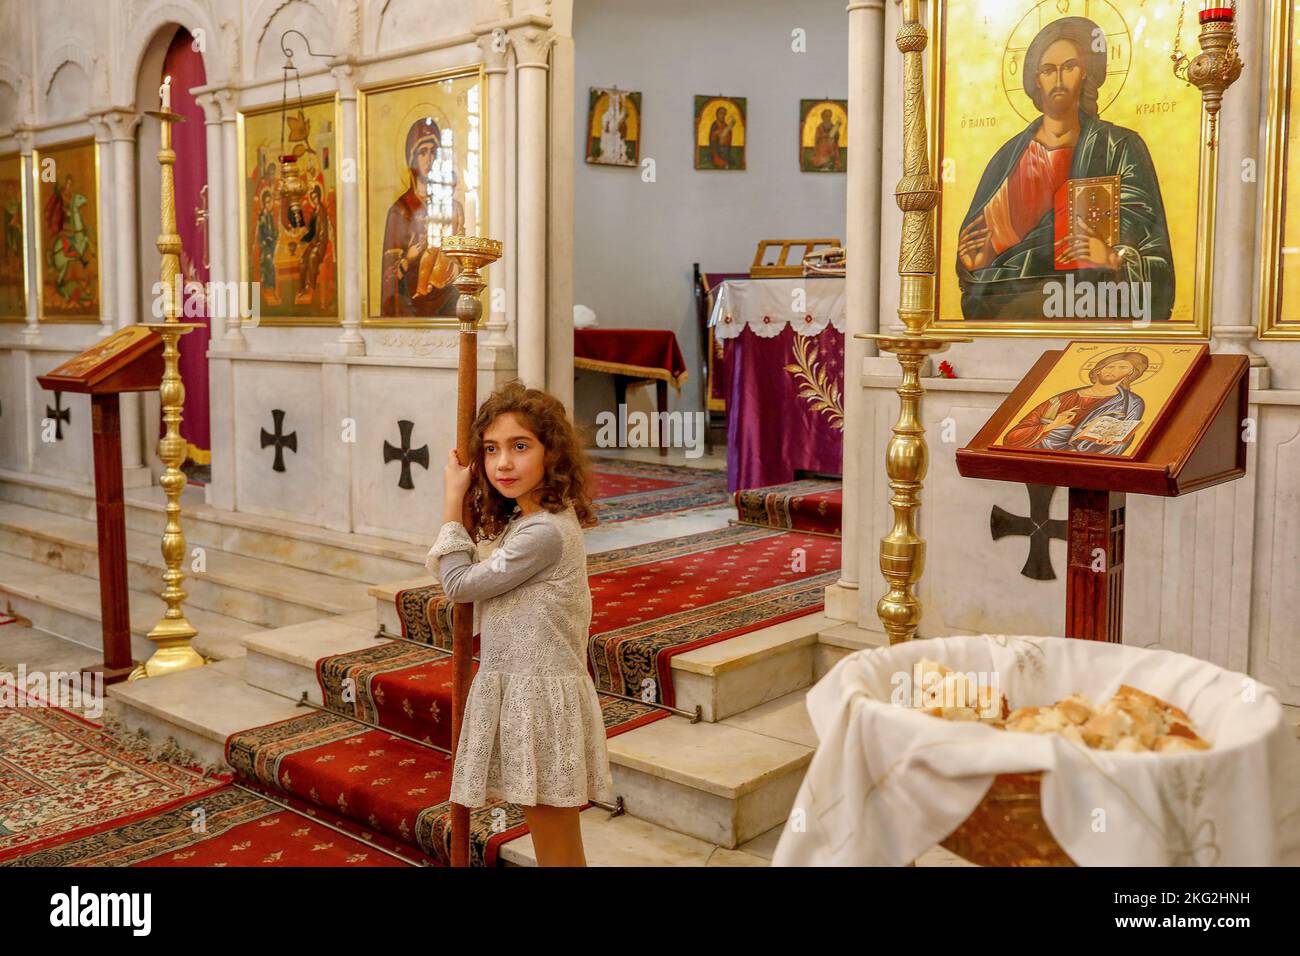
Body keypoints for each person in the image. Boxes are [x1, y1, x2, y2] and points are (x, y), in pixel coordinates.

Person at [426, 381, 612, 866]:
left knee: (558, 853)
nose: (502, 463)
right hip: (529, 691)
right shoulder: (530, 519)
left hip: (540, 701)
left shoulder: (544, 533)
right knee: (554, 845)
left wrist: (451, 499)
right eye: (490, 450)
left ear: (552, 454)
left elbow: (459, 585)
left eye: (520, 446)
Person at [955, 16, 1174, 322]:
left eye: (1069, 66)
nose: (1058, 79)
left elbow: (1153, 252)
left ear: (1085, 74)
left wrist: (1114, 259)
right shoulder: (1006, 158)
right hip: (1008, 308)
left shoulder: (1119, 147)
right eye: (1048, 69)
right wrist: (973, 265)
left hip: (1090, 306)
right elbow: (976, 259)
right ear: (1035, 79)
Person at [380, 116, 463, 317]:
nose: (430, 159)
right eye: (423, 152)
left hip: (449, 302)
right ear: (412, 159)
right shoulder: (401, 210)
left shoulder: (452, 206)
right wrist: (408, 258)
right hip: (411, 308)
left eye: (434, 152)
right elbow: (389, 275)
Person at [1001, 351, 1149, 455]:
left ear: (1131, 373)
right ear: (1098, 370)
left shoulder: (1131, 403)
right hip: (1042, 451)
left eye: (1122, 367)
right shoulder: (1060, 399)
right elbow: (1013, 437)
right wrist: (1052, 425)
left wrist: (1100, 440)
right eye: (1109, 366)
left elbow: (1124, 437)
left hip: (1088, 457)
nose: (1113, 371)